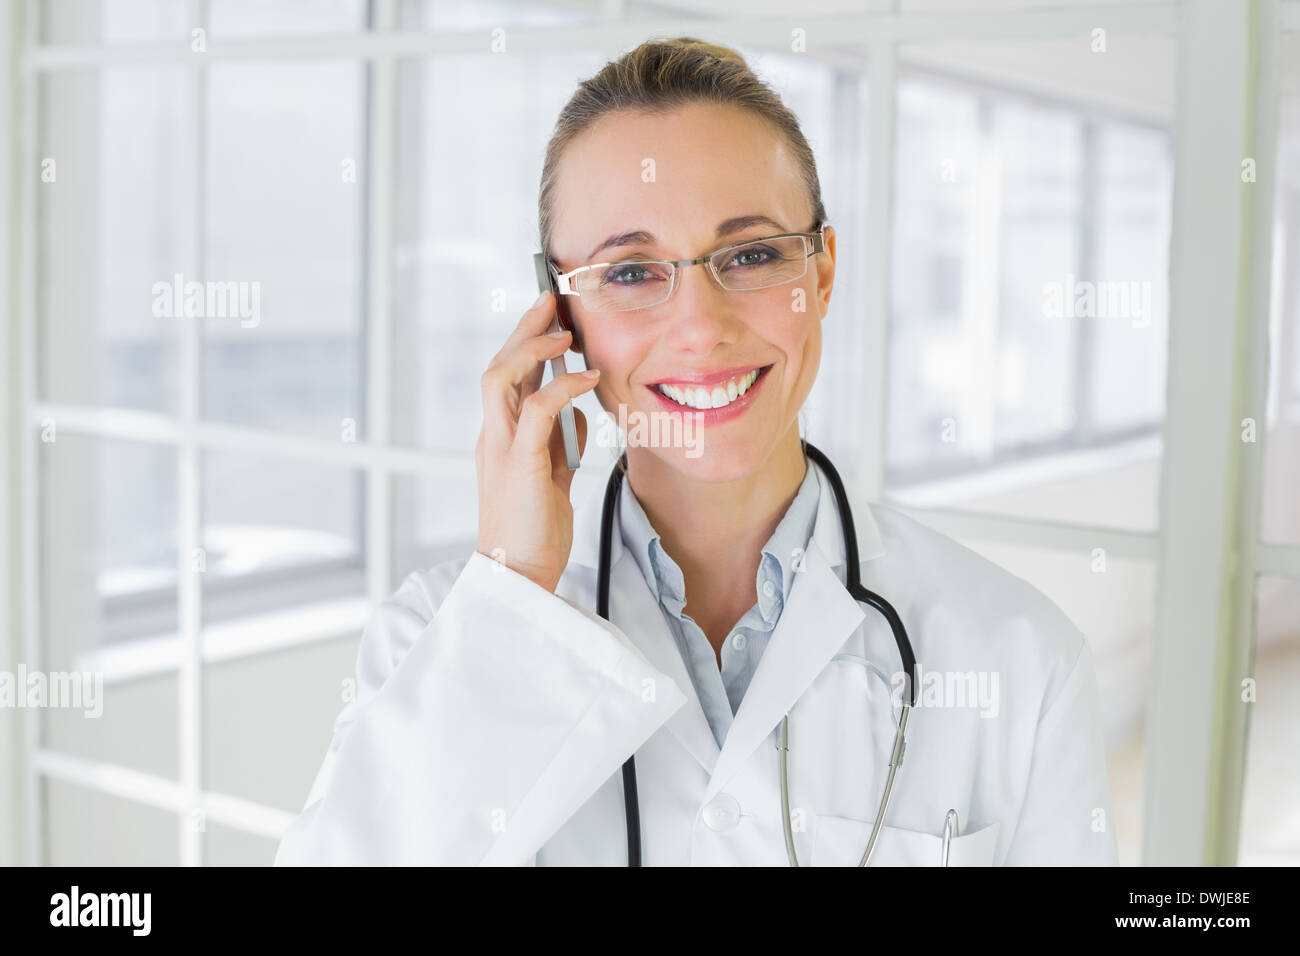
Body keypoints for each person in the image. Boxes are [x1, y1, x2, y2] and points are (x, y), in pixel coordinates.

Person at [274, 36, 1118, 866]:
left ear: (821, 274)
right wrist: (514, 589)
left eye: (751, 255)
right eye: (632, 273)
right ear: (558, 314)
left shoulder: (1020, 657)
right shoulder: (444, 637)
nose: (700, 328)